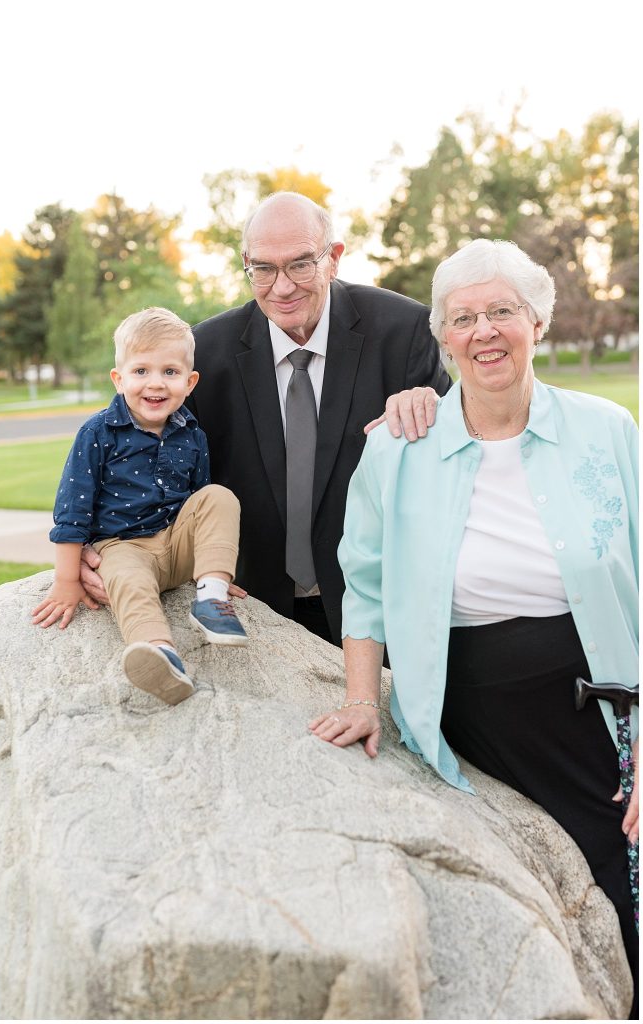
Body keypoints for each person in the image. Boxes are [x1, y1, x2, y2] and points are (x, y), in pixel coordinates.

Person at [309, 239, 639, 1012]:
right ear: (443, 337)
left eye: (502, 311)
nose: (484, 331)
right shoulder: (397, 446)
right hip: (466, 721)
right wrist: (361, 699)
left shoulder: (607, 429)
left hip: (605, 714)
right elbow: (365, 585)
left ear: (538, 322)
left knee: (624, 899)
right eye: (463, 318)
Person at [79, 192, 451, 645]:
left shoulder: (403, 331)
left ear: (334, 258)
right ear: (246, 265)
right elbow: (128, 448)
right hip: (249, 608)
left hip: (381, 603)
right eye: (264, 268)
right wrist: (93, 545)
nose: (282, 287)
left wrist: (432, 406)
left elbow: (455, 456)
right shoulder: (203, 353)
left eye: (300, 264)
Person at [32, 307, 247, 705]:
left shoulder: (193, 434)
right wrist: (66, 579)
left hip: (176, 546)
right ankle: (160, 654)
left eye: (170, 371)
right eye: (141, 371)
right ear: (119, 379)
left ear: (190, 382)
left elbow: (200, 505)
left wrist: (212, 568)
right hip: (122, 548)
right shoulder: (98, 432)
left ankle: (211, 598)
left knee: (219, 496)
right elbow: (72, 510)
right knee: (130, 582)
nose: (156, 383)